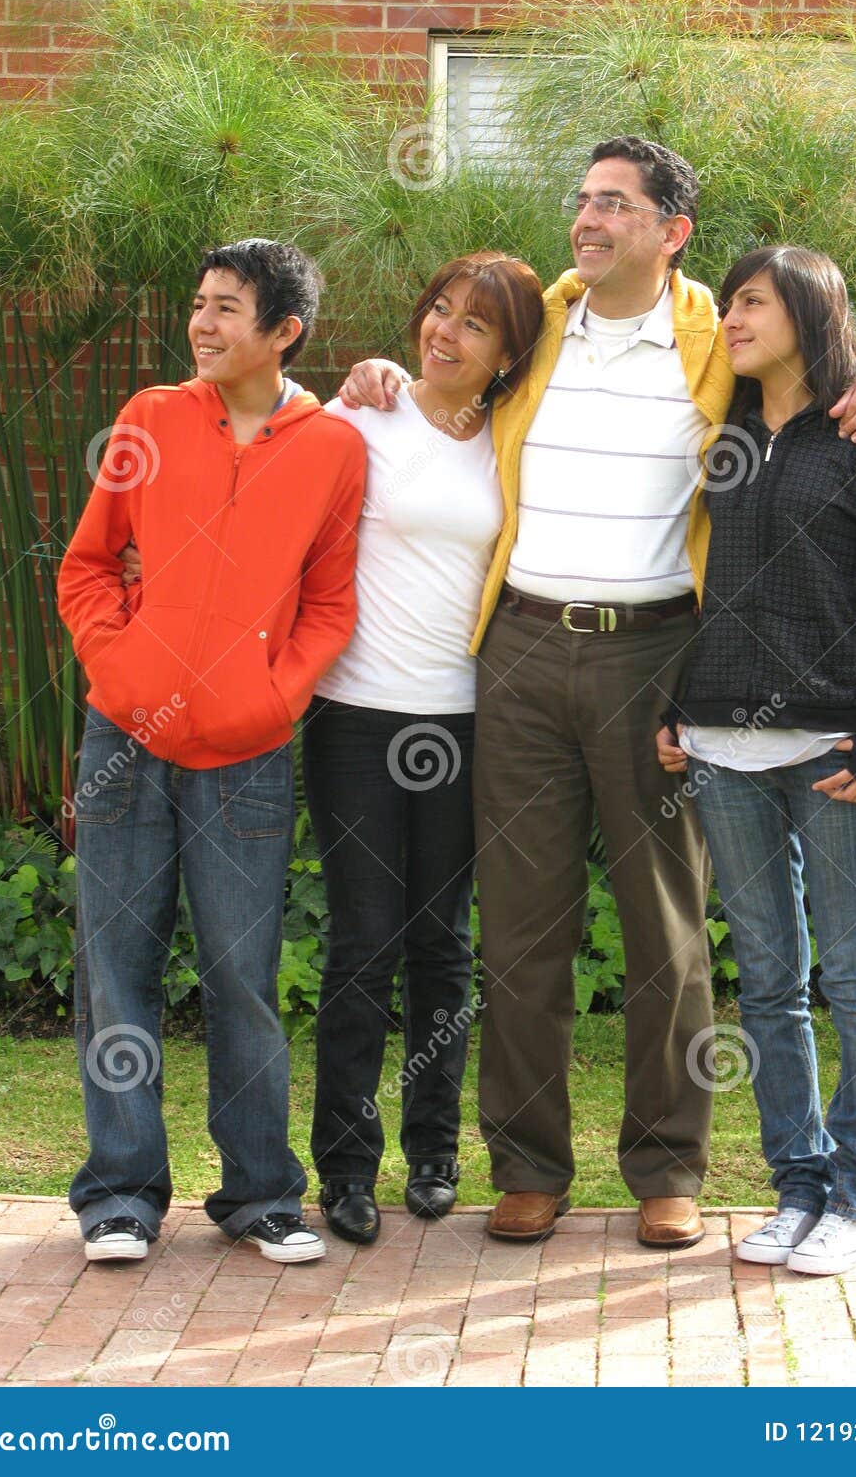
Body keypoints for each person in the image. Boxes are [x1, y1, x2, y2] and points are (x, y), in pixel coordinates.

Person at [341, 136, 856, 1249]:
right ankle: (528, 1165)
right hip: (516, 650)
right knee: (518, 923)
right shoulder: (537, 324)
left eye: (615, 203)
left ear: (669, 229)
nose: (588, 219)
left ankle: (665, 1163)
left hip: (658, 657)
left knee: (665, 925)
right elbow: (442, 369)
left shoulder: (713, 338)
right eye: (582, 200)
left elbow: (813, 373)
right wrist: (376, 377)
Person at [58, 238, 365, 1265]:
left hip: (245, 749)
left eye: (227, 308)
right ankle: (119, 1194)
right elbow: (87, 566)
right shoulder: (148, 418)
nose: (203, 323)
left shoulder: (332, 447)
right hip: (124, 736)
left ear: (285, 331)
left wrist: (274, 695)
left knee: (241, 972)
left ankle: (262, 1194)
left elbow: (328, 603)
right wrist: (123, 665)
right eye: (198, 304)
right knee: (115, 966)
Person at [657, 245, 856, 1275]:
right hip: (722, 745)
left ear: (809, 314)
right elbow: (701, 580)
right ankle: (796, 1186)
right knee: (767, 978)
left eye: (753, 301)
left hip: (833, 747)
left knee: (855, 969)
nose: (731, 317)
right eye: (726, 301)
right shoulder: (720, 433)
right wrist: (677, 706)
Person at [304, 252, 544, 1247]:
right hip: (353, 715)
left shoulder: (513, 442)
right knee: (362, 944)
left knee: (443, 943)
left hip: (460, 720)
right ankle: (348, 1169)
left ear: (505, 356)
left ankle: (435, 1152)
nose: (443, 331)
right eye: (437, 310)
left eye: (473, 325)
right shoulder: (360, 413)